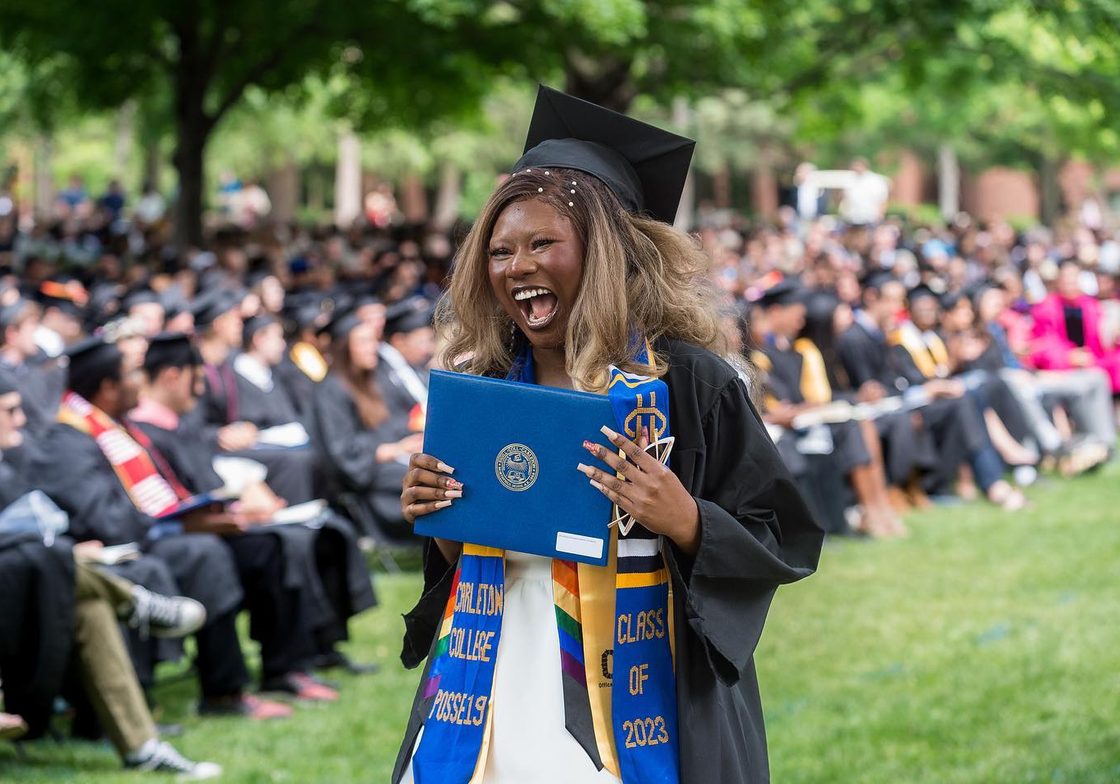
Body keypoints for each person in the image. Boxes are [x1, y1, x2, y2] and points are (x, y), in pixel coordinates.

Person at [394, 87, 823, 784]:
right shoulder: (490, 388)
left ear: (605, 252)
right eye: (500, 251)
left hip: (641, 688)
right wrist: (438, 510)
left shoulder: (689, 383)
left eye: (541, 244)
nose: (517, 266)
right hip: (492, 677)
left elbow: (783, 535)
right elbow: (467, 549)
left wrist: (684, 518)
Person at [31, 337, 292, 719]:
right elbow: (107, 520)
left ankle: (282, 668)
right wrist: (181, 526)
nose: (141, 381)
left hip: (149, 535)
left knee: (259, 545)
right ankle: (223, 692)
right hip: (116, 549)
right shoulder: (69, 441)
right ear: (107, 387)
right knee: (206, 555)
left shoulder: (115, 429)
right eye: (133, 374)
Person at [312, 308, 423, 541]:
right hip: (363, 475)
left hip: (383, 464)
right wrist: (391, 450)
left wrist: (411, 442)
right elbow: (342, 452)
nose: (373, 347)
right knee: (419, 477)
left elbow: (391, 426)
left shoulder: (369, 383)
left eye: (373, 341)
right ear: (344, 348)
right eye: (363, 342)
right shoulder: (331, 389)